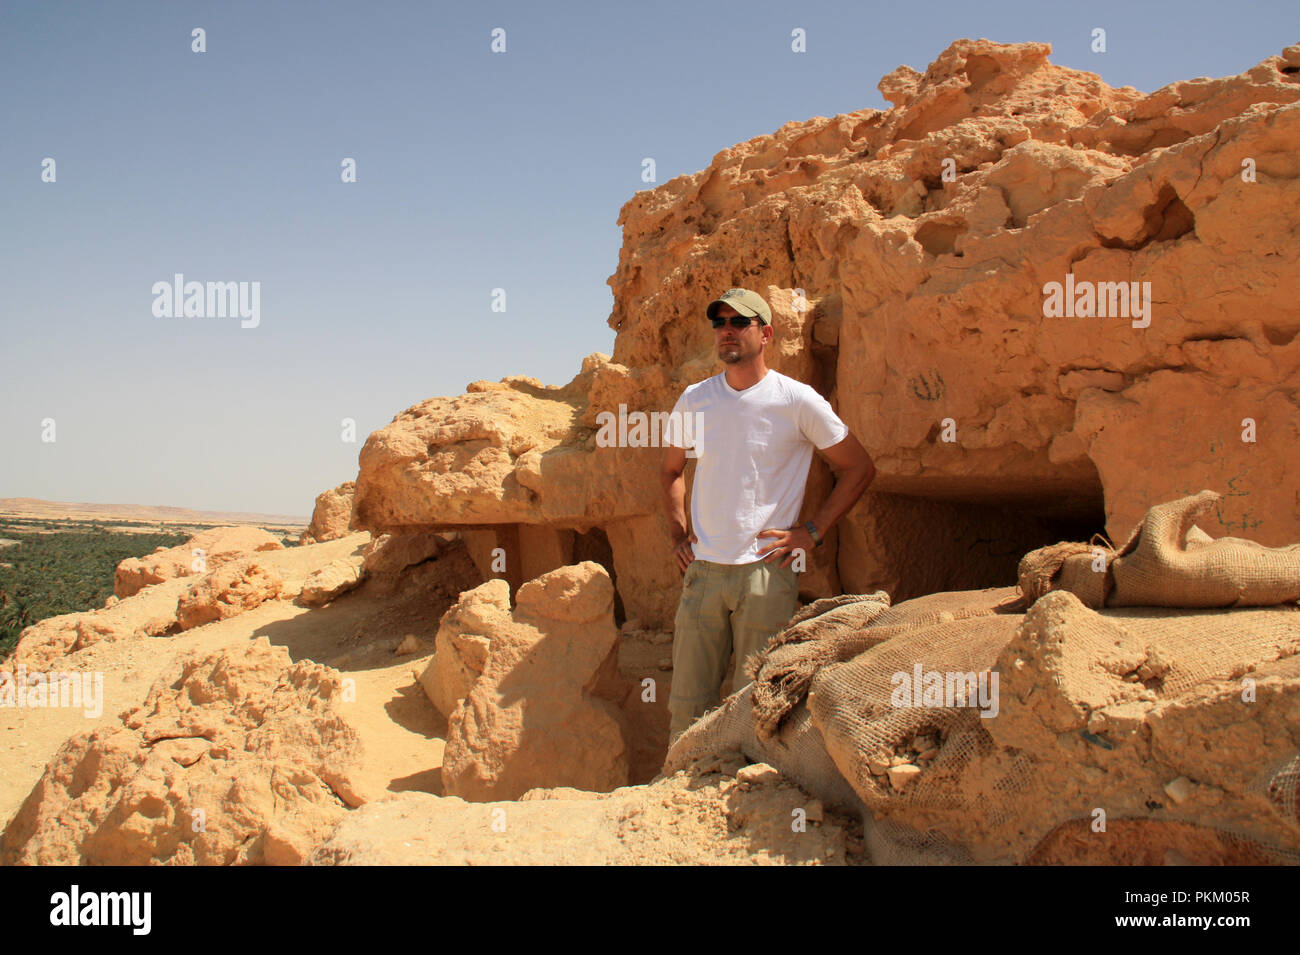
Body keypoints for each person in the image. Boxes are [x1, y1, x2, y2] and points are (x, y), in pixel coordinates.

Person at [660, 288, 876, 746]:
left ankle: (745, 805)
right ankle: (675, 798)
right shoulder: (696, 399)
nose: (727, 331)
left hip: (767, 572)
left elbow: (858, 467)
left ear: (766, 333)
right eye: (719, 323)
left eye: (740, 322)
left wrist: (812, 532)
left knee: (755, 705)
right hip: (703, 573)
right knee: (686, 706)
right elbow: (671, 471)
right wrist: (680, 535)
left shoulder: (796, 400)